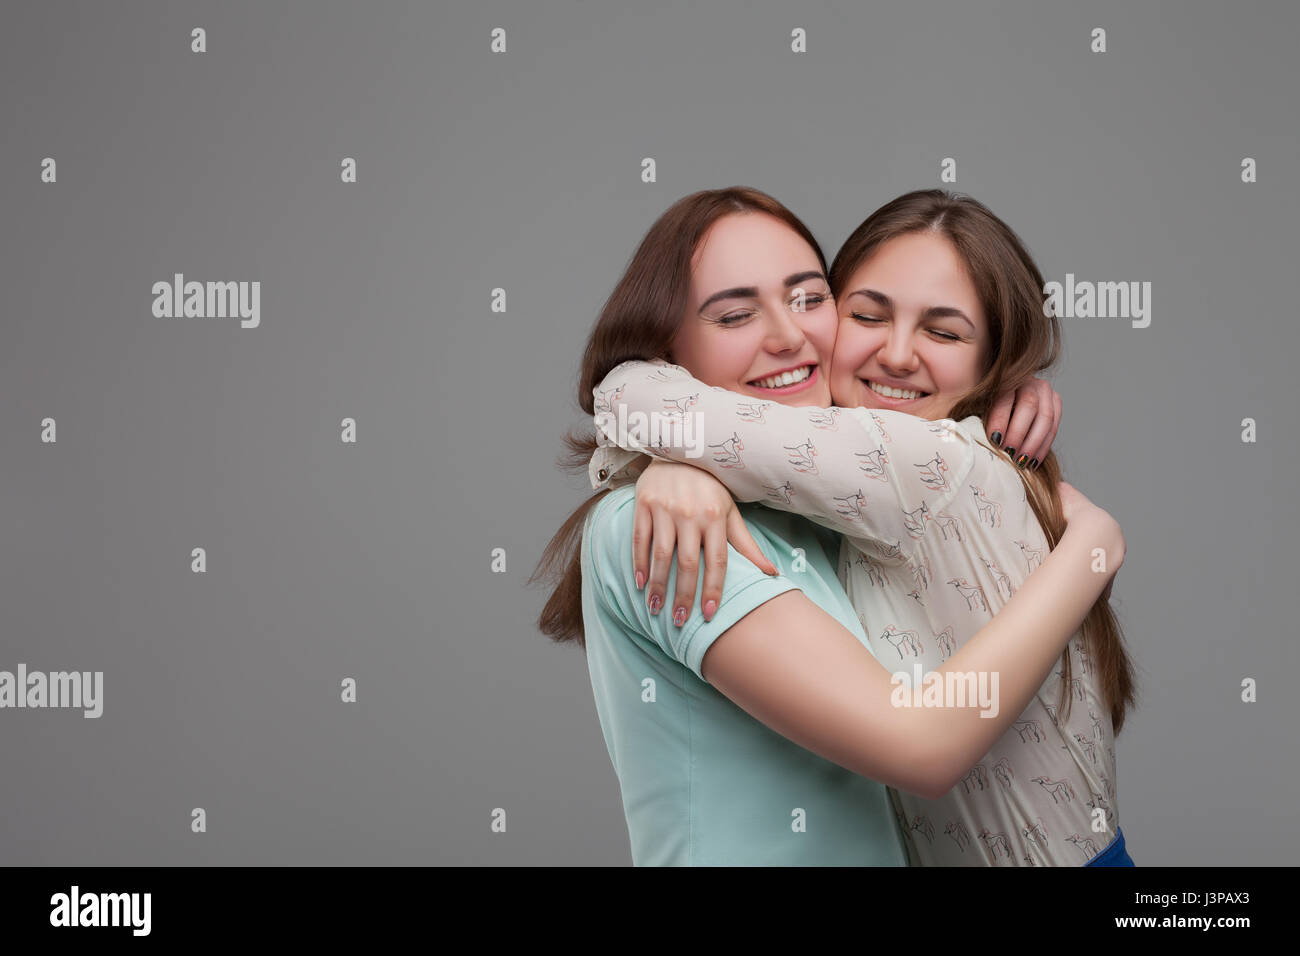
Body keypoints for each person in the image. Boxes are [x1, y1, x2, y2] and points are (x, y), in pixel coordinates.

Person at [532, 186, 1125, 865]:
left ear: (995, 363)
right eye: (867, 314)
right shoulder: (768, 510)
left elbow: (639, 399)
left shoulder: (924, 464)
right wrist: (654, 469)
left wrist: (1094, 545)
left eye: (809, 299)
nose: (789, 335)